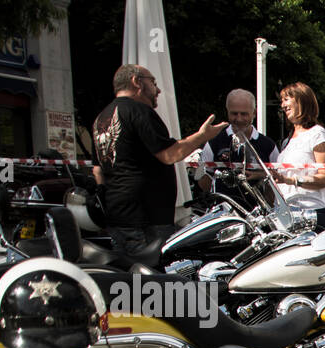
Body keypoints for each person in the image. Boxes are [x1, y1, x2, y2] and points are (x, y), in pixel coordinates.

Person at [92, 64, 227, 256]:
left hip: (118, 216)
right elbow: (170, 154)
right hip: (146, 218)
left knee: (127, 276)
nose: (158, 90)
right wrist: (202, 135)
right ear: (136, 82)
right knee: (152, 279)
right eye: (153, 83)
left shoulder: (101, 119)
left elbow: (98, 171)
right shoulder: (139, 111)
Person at [271, 81, 325, 228]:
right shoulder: (288, 141)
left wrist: (290, 180)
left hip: (311, 214)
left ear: (302, 100)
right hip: (288, 214)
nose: (283, 105)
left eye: (286, 100)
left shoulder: (318, 134)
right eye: (281, 101)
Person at [196, 89, 279, 197]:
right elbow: (202, 182)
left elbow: (278, 178)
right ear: (227, 112)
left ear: (254, 113)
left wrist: (259, 175)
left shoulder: (268, 146)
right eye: (234, 113)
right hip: (224, 210)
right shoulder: (214, 142)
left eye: (244, 114)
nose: (239, 119)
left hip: (260, 211)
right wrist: (198, 171)